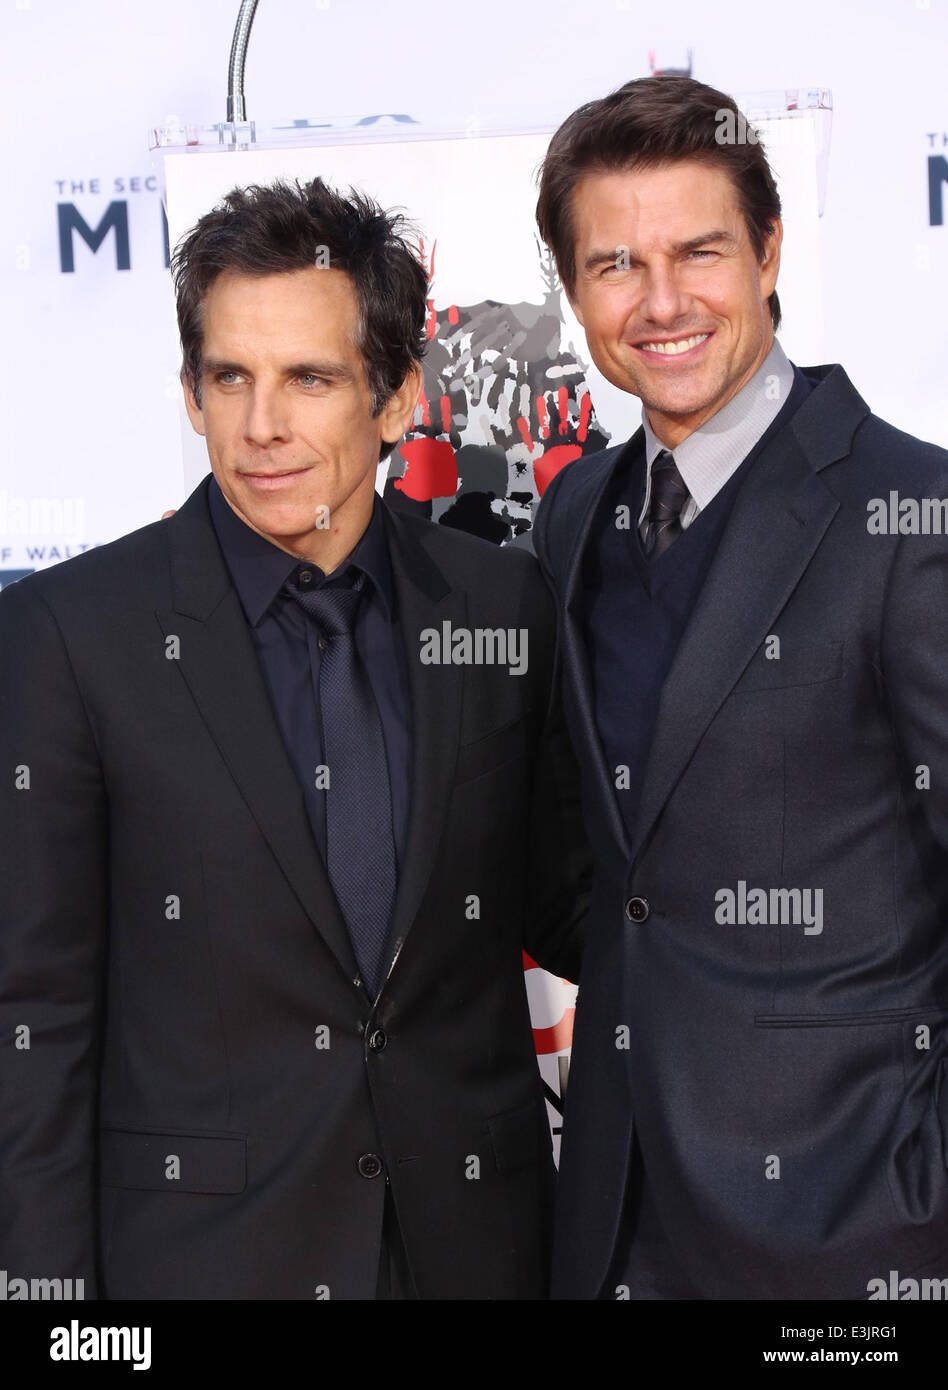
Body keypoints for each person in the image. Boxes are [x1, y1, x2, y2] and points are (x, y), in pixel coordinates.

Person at [0, 177, 589, 1300]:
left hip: (476, 1252)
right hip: (204, 1269)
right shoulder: (69, 637)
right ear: (190, 391)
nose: (261, 426)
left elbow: (577, 901)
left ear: (397, 394)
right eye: (230, 377)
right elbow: (34, 1016)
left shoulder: (500, 606)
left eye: (309, 378)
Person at [532, 74, 948, 1300]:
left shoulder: (908, 520)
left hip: (854, 1234)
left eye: (699, 250)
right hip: (612, 1224)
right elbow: (614, 874)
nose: (661, 303)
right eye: (614, 264)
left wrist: (920, 1199)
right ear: (573, 292)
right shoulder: (572, 516)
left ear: (769, 252)